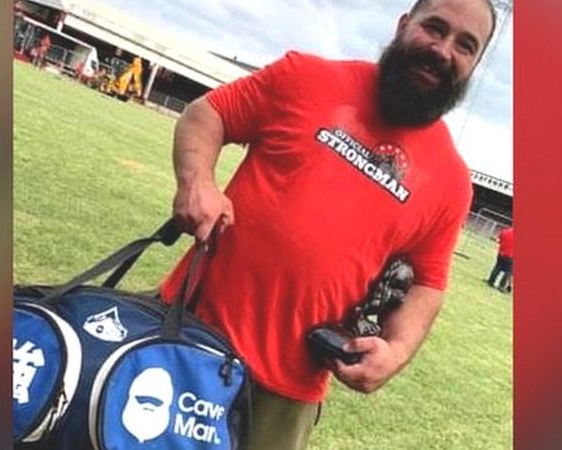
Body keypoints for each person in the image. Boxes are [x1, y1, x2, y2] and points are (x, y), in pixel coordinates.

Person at [159, 0, 497, 448]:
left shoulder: (451, 182)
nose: (442, 49)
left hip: (288, 393)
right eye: (434, 27)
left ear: (473, 66)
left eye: (465, 45)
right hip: (188, 332)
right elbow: (208, 114)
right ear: (403, 25)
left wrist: (395, 352)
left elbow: (429, 284)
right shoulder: (308, 77)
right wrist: (197, 181)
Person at [487, 225, 513, 293]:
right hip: (511, 255)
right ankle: (502, 286)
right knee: (508, 272)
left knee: (497, 267)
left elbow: (499, 239)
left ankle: (491, 281)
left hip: (501, 253)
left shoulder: (506, 231)